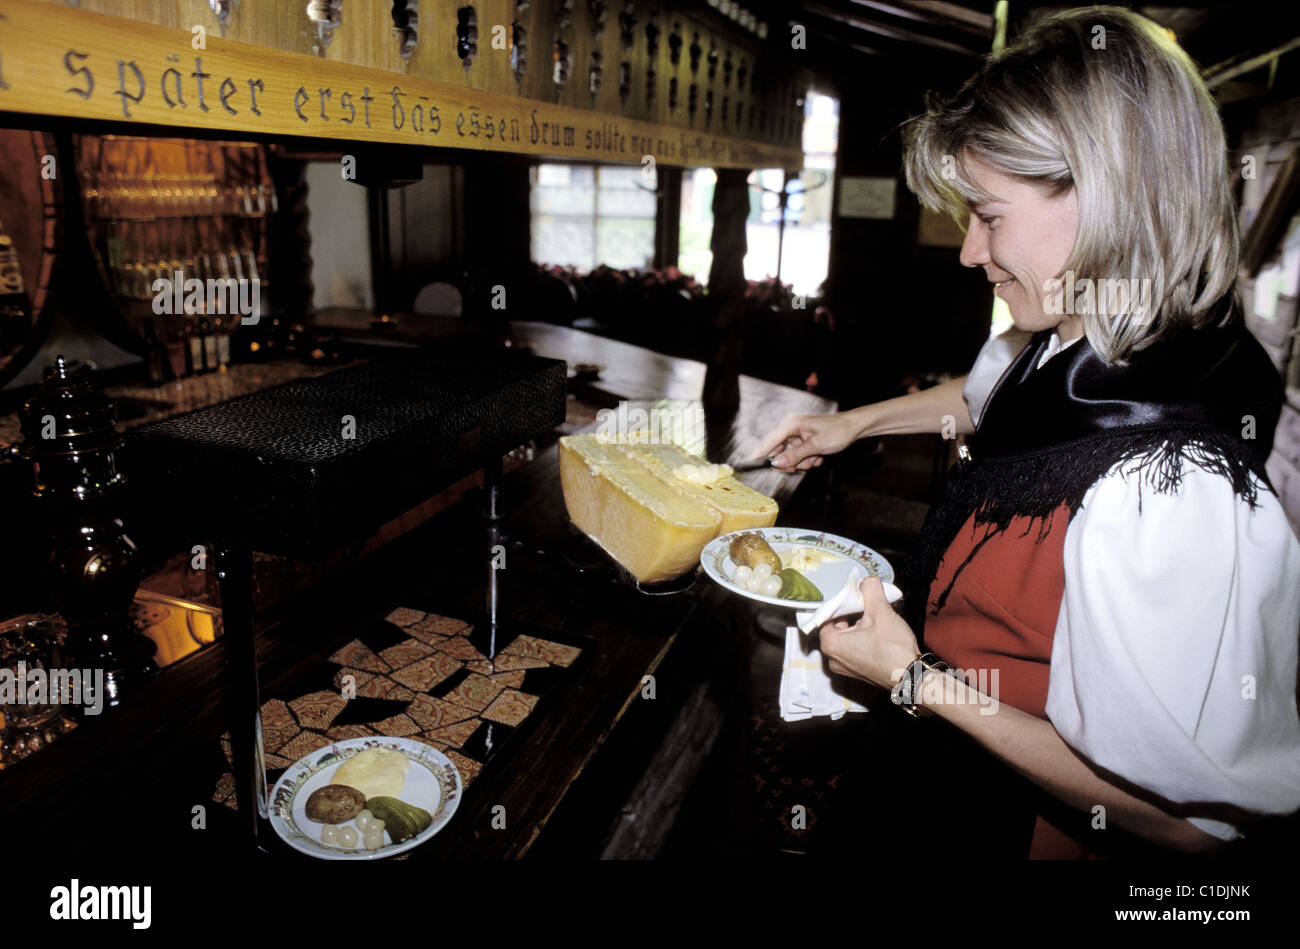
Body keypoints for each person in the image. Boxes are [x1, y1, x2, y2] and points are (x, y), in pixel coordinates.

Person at [757, 6, 1300, 858]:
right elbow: (988, 401)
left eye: (988, 213)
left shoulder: (1174, 492)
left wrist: (913, 679)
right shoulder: (1066, 334)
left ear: (1108, 197)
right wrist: (850, 425)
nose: (971, 251)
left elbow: (1187, 824)